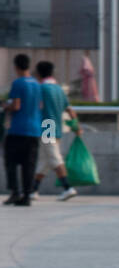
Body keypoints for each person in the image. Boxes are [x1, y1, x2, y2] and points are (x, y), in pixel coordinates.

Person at [32, 61, 79, 201]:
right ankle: (33, 190)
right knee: (44, 160)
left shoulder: (41, 89)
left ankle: (67, 187)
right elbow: (70, 110)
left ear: (39, 73)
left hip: (46, 125)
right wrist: (76, 126)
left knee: (53, 157)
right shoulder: (58, 89)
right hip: (57, 125)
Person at [3, 54, 42, 206]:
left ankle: (15, 192)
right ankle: (27, 196)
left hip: (18, 130)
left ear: (16, 66)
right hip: (35, 130)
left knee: (11, 163)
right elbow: (41, 106)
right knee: (29, 165)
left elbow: (16, 105)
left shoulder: (18, 83)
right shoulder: (37, 85)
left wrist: (6, 106)